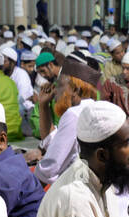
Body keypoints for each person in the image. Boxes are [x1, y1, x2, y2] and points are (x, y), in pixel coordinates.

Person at [32, 55, 100, 186]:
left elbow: (50, 167)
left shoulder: (73, 114)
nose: (55, 91)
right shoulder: (91, 107)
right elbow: (53, 141)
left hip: (75, 187)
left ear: (75, 90)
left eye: (60, 85)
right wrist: (43, 105)